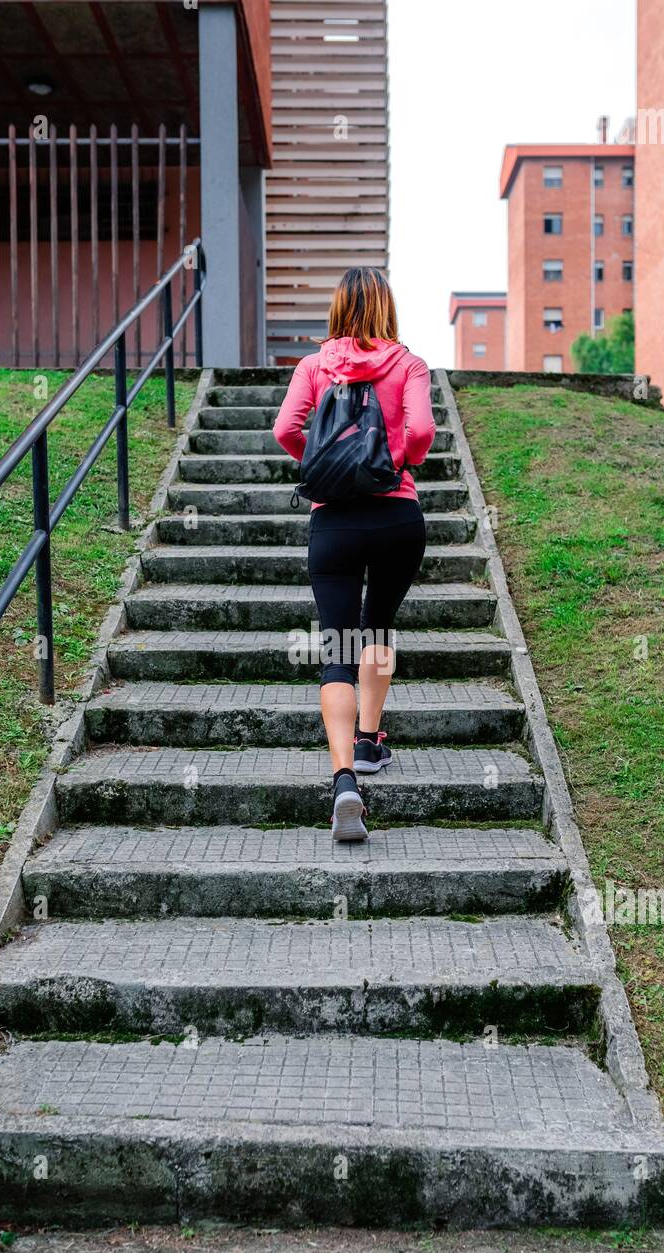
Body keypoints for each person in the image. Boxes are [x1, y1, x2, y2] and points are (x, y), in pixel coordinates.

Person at [273, 267, 436, 842]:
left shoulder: (314, 366)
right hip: (396, 515)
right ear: (386, 308)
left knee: (338, 646)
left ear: (338, 308)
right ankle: (371, 741)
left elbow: (285, 429)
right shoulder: (408, 364)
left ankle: (345, 779)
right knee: (379, 627)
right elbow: (421, 432)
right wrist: (393, 460)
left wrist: (321, 464)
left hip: (335, 521)